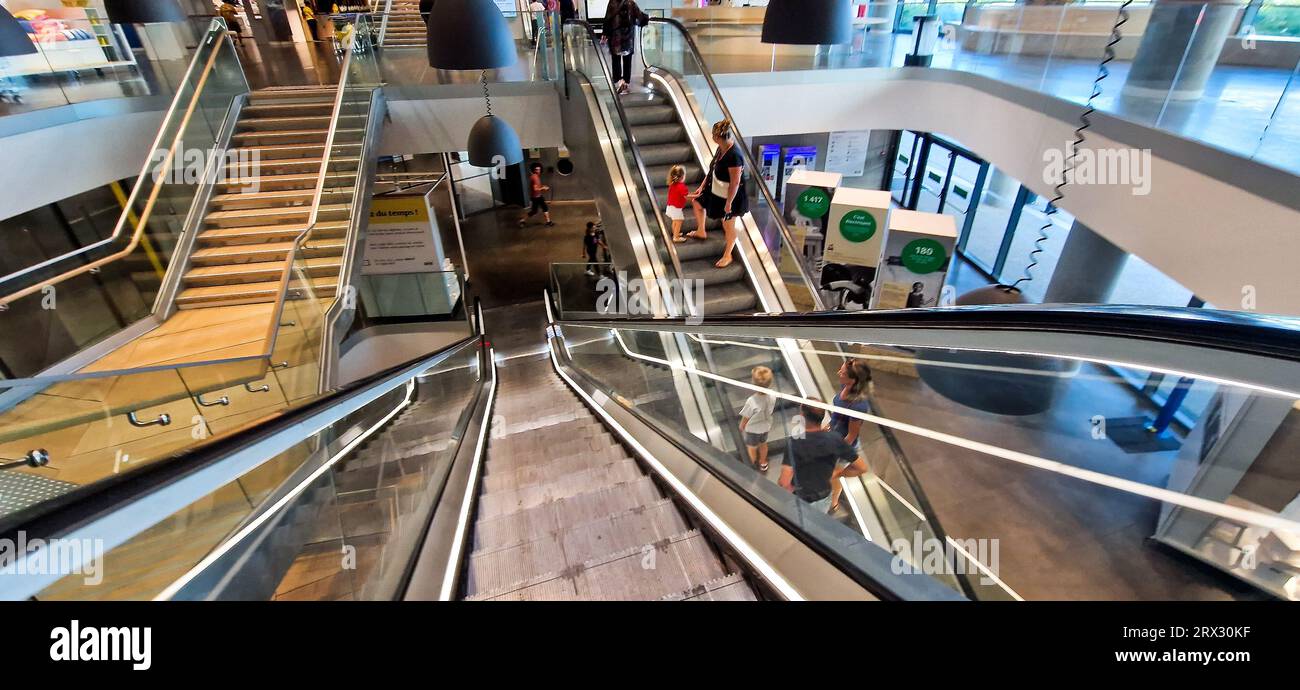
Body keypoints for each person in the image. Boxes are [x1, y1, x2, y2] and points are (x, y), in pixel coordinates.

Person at [780, 399, 859, 514]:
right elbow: (861, 468)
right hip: (824, 498)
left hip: (801, 498)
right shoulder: (835, 439)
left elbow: (784, 481)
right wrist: (838, 473)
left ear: (802, 416)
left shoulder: (794, 442)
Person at [688, 119, 748, 268]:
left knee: (728, 225)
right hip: (715, 189)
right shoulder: (721, 148)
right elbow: (712, 169)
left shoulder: (735, 155)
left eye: (714, 136)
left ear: (717, 137)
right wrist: (702, 186)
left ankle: (728, 255)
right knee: (697, 202)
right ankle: (701, 231)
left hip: (731, 196)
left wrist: (729, 203)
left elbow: (735, 182)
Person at [827, 359, 873, 512]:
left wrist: (835, 450)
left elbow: (852, 435)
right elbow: (837, 415)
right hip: (833, 436)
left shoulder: (858, 405)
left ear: (853, 380)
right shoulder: (845, 386)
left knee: (834, 476)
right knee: (830, 473)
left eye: (843, 373)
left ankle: (834, 501)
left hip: (843, 446)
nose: (838, 373)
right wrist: (828, 427)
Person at [603, 0, 649, 95]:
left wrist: (605, 33)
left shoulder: (612, 3)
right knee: (627, 61)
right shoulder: (631, 4)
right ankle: (626, 83)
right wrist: (648, 18)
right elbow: (640, 18)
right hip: (628, 39)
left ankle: (618, 82)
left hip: (615, 38)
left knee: (615, 59)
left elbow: (607, 19)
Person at [739, 366, 776, 472]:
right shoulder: (772, 395)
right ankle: (763, 462)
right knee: (763, 444)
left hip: (753, 429)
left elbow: (746, 416)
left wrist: (742, 426)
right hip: (766, 426)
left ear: (753, 383)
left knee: (752, 447)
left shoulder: (752, 401)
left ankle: (752, 463)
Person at [518, 162, 554, 227]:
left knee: (544, 208)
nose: (538, 171)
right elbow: (535, 189)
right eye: (536, 170)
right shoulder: (534, 177)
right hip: (535, 197)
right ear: (534, 170)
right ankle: (522, 220)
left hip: (539, 196)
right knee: (534, 211)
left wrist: (543, 186)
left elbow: (538, 186)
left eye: (539, 169)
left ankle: (548, 222)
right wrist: (543, 188)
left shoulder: (536, 176)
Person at [665, 164, 689, 243]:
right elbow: (686, 196)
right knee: (679, 221)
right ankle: (676, 237)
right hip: (676, 208)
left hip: (670, 207)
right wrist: (696, 196)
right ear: (682, 176)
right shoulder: (681, 186)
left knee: (674, 221)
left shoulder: (672, 184)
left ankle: (675, 233)